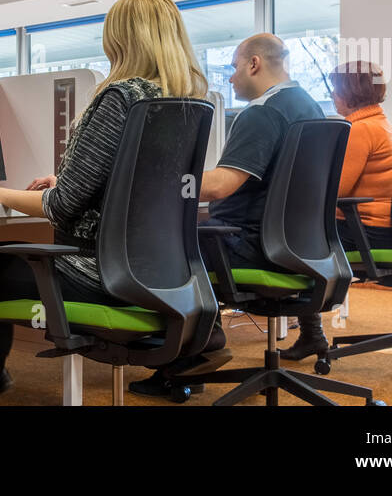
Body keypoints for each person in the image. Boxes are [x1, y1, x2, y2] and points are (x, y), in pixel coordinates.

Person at [0, 0, 222, 406]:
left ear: (118, 39)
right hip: (162, 277)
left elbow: (60, 208)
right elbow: (141, 185)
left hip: (108, 275)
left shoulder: (120, 98)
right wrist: (71, 177)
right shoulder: (183, 103)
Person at [125, 33, 328, 395]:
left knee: (163, 250)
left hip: (251, 246)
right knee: (196, 234)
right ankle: (198, 346)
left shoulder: (264, 113)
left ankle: (187, 355)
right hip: (298, 249)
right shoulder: (310, 108)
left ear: (254, 64)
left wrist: (154, 180)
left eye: (234, 67)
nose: (231, 77)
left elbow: (219, 186)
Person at [270, 60, 392, 361]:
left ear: (348, 93)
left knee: (290, 240)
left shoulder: (361, 129)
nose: (332, 95)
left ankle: (311, 334)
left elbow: (336, 191)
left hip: (368, 231)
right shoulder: (381, 124)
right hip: (387, 229)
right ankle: (311, 333)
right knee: (303, 234)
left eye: (335, 89)